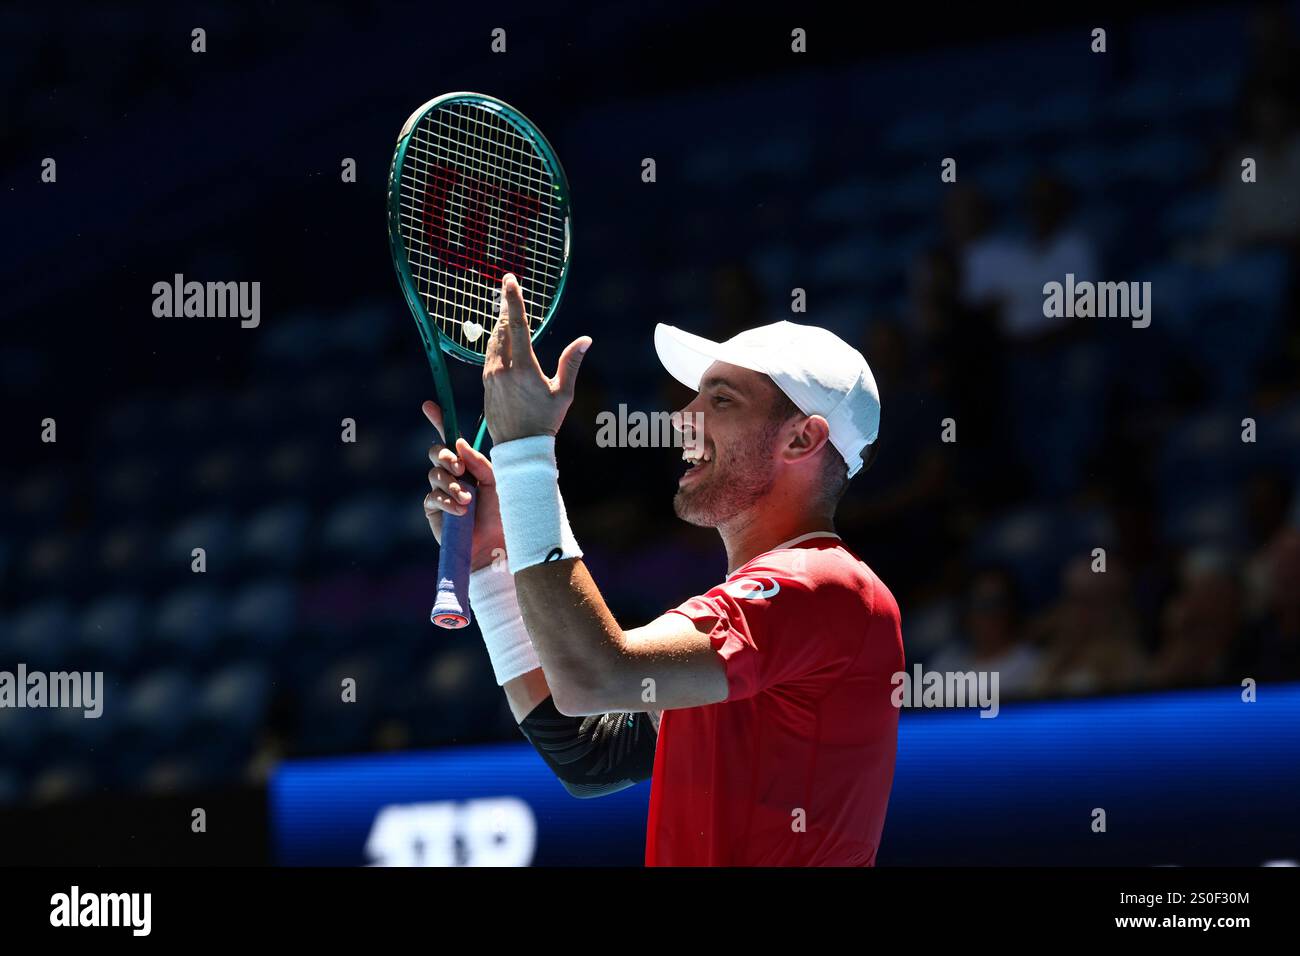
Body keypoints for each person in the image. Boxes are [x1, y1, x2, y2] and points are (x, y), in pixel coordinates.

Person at [422, 274, 903, 866]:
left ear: (803, 439)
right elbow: (587, 755)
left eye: (721, 400)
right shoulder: (776, 618)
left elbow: (596, 674)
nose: (683, 417)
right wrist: (492, 561)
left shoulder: (825, 586)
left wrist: (524, 451)